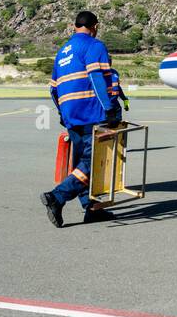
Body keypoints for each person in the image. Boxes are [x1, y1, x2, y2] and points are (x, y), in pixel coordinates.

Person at [40, 11, 125, 228]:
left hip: (71, 115)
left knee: (80, 163)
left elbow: (53, 89)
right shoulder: (94, 46)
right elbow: (97, 77)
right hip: (90, 112)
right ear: (95, 26)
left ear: (74, 26)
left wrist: (62, 113)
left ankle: (91, 209)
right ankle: (57, 197)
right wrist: (109, 108)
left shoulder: (62, 52)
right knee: (92, 161)